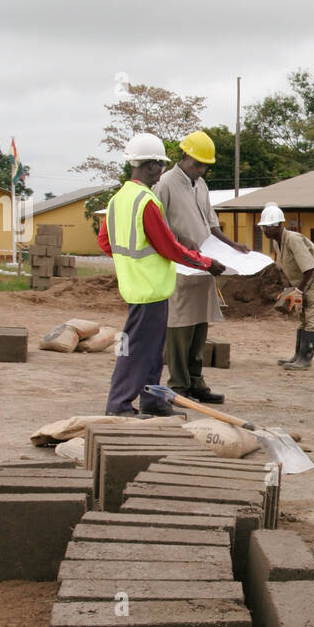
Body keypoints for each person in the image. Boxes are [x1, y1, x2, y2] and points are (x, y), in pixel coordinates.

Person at [97, 133, 225, 417]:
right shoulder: (146, 201)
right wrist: (205, 263)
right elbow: (169, 247)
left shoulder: (118, 199)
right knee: (137, 350)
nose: (161, 171)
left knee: (153, 350)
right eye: (159, 165)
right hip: (150, 288)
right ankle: (119, 405)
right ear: (152, 165)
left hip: (137, 287)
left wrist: (129, 265)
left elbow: (105, 242)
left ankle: (153, 401)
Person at [153, 130, 248, 405]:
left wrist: (233, 245)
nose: (201, 169)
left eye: (205, 165)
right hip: (180, 268)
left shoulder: (201, 185)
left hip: (203, 266)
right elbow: (157, 227)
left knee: (199, 328)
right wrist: (178, 238)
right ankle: (178, 385)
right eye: (197, 164)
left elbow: (211, 224)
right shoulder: (166, 184)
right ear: (184, 157)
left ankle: (196, 382)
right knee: (179, 329)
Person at [257, 204, 314, 369]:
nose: (265, 230)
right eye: (264, 227)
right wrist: (289, 291)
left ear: (279, 226)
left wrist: (298, 290)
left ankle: (305, 360)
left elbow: (310, 267)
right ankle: (298, 356)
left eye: (269, 227)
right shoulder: (278, 243)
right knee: (303, 317)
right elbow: (291, 269)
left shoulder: (293, 239)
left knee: (312, 317)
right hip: (307, 280)